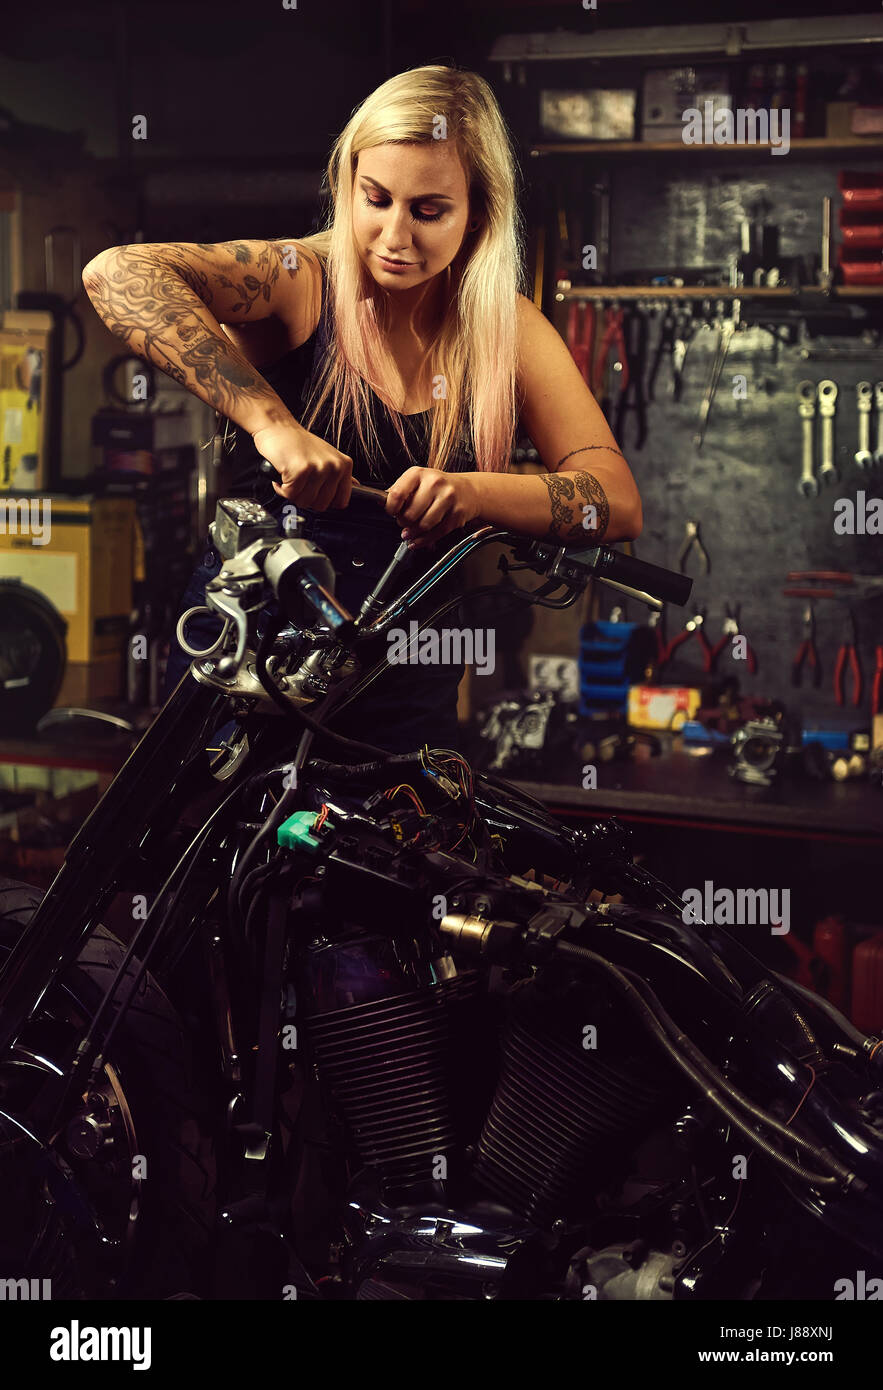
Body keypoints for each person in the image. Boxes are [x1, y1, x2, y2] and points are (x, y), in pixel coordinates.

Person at [82, 63, 642, 752]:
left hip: (406, 680)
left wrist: (470, 493)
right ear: (346, 184)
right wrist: (274, 426)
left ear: (479, 214)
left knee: (402, 857)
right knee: (213, 854)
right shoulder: (299, 280)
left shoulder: (508, 329)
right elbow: (117, 272)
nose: (393, 236)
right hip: (253, 663)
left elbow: (612, 502)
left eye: (428, 211)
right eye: (374, 198)